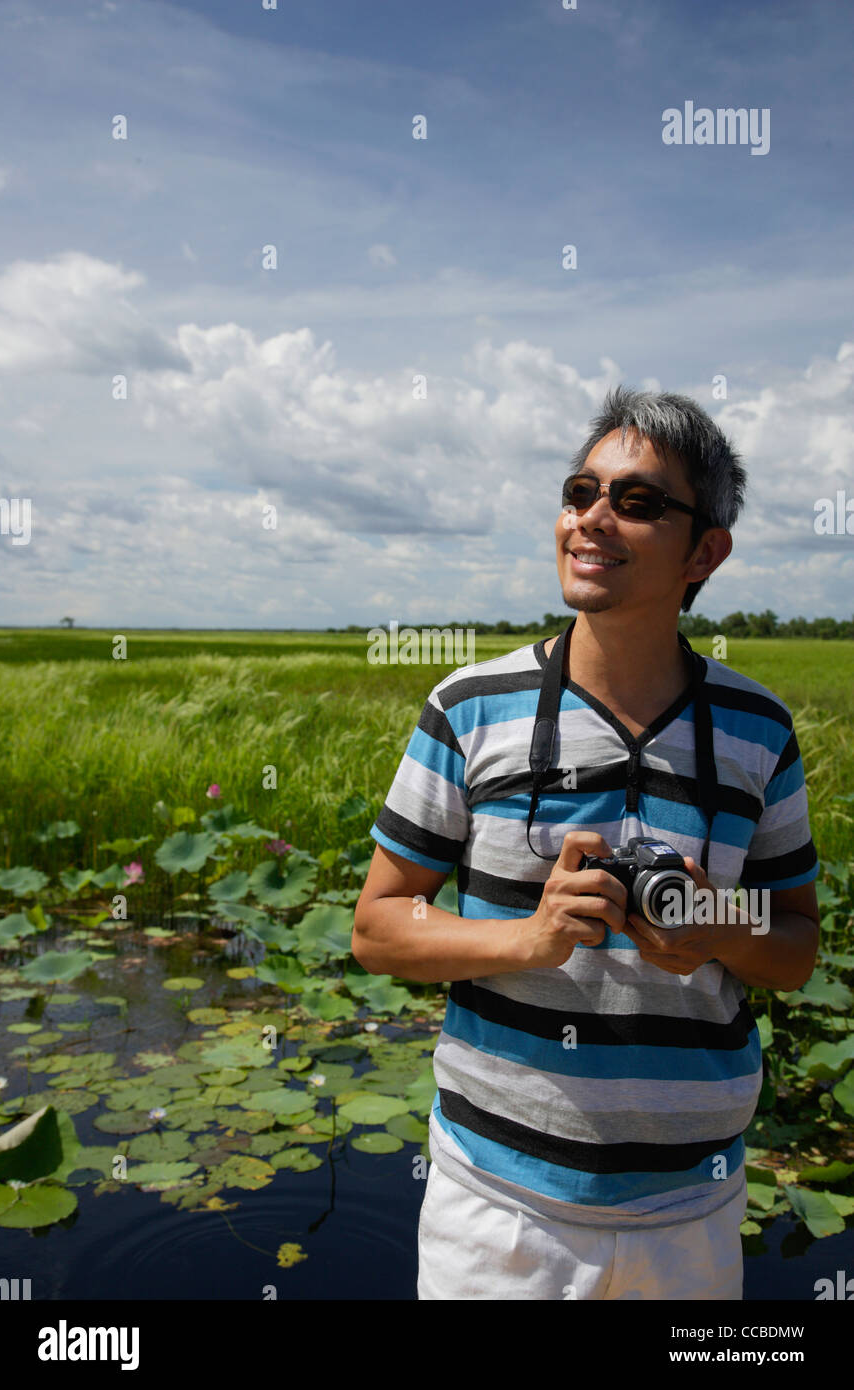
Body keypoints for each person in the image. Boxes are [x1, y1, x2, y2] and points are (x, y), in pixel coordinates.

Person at [352, 385, 820, 1301]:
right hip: (499, 1215)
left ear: (706, 552)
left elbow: (797, 946)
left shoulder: (758, 730)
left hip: (692, 1212)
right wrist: (528, 938)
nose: (592, 519)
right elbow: (377, 928)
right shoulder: (468, 708)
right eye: (580, 493)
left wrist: (720, 926)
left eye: (637, 503)